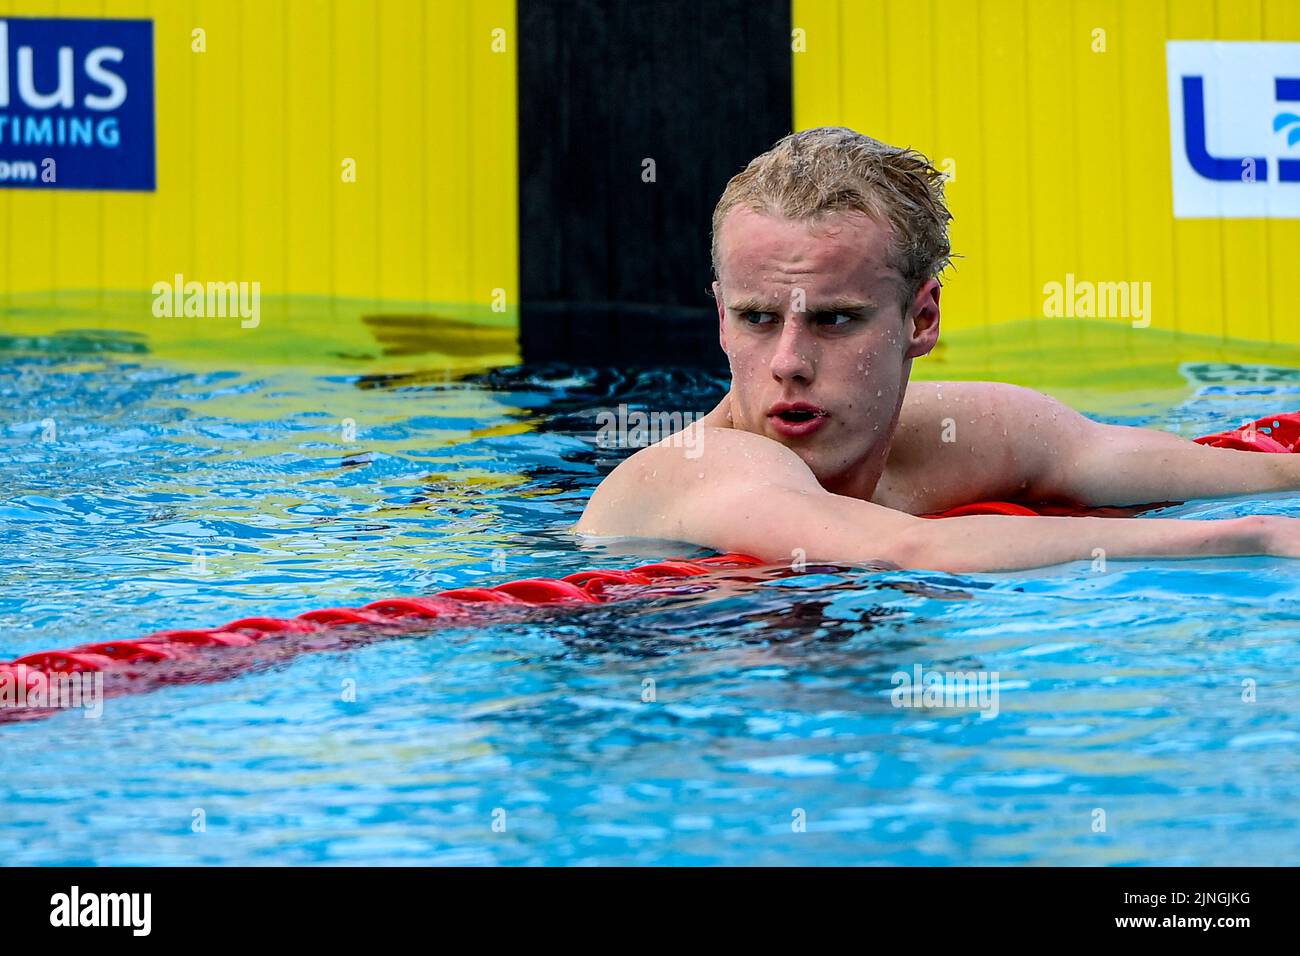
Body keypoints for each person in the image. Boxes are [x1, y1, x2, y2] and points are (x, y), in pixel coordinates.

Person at [575, 127, 1300, 571]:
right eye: (759, 318)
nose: (788, 360)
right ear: (721, 320)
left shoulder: (957, 434)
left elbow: (1117, 459)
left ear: (922, 320)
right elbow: (909, 551)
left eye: (833, 321)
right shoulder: (711, 469)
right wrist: (1257, 540)